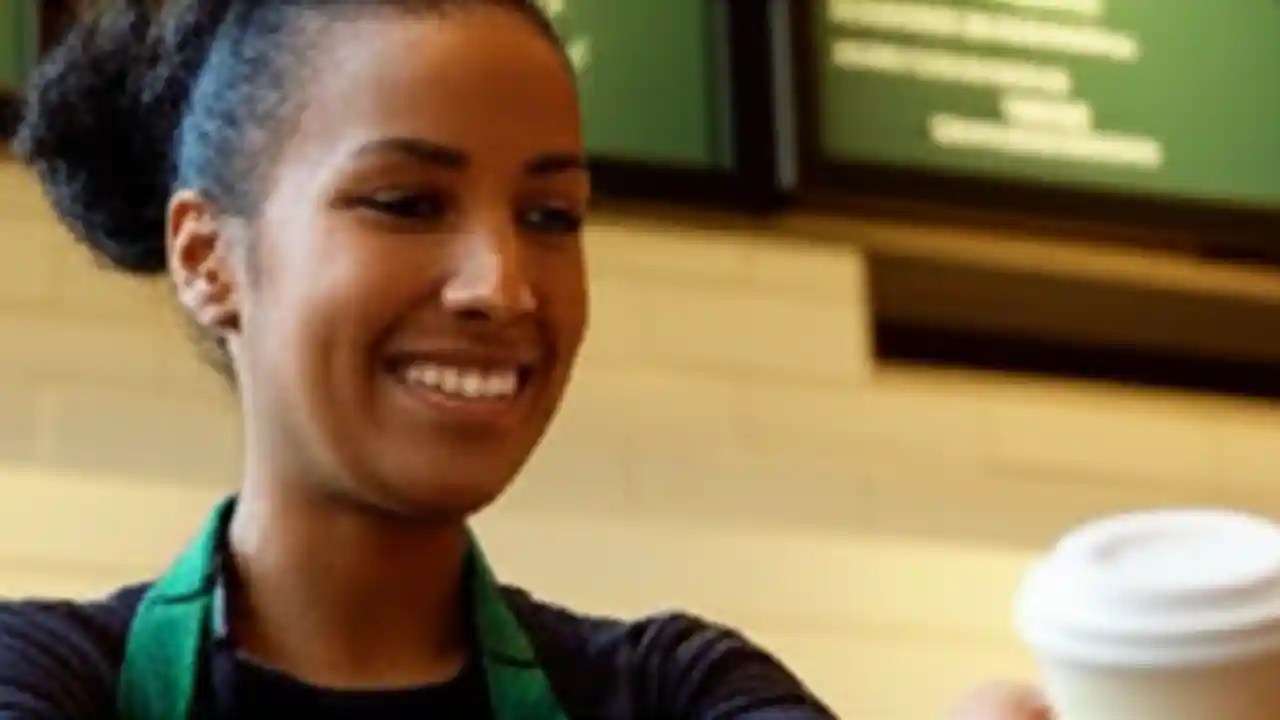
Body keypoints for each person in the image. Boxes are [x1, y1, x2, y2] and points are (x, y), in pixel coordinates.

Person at [0, 1, 1048, 718]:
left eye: (550, 215)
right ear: (207, 258)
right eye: (407, 204)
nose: (501, 284)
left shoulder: (671, 692)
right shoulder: (53, 683)